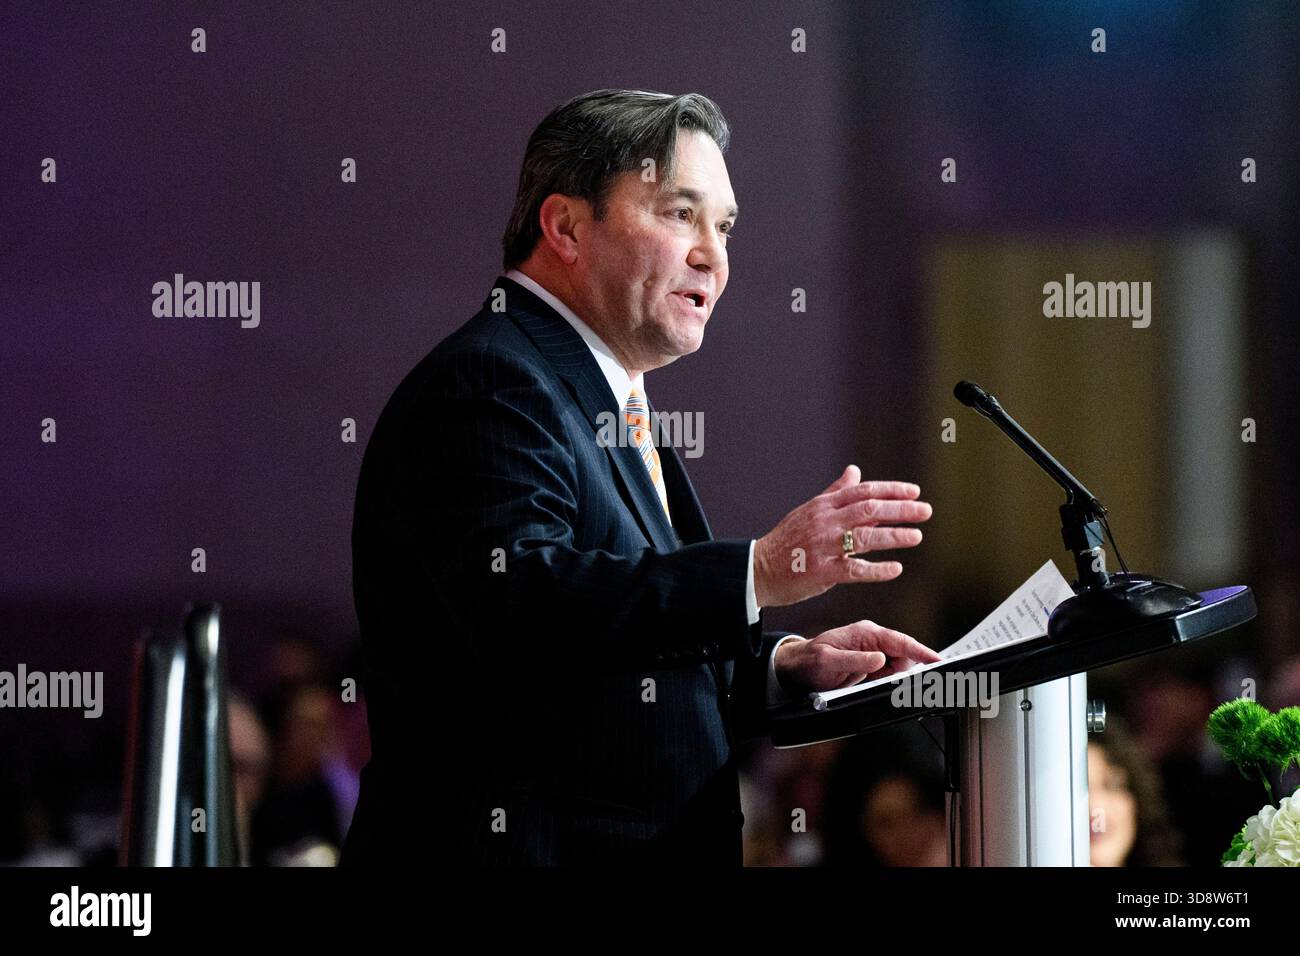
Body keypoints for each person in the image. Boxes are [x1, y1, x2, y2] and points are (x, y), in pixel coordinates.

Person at [340, 89, 938, 866]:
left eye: (723, 227)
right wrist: (756, 571)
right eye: (679, 214)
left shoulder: (600, 395)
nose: (714, 257)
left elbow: (613, 667)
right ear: (564, 226)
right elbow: (524, 610)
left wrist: (777, 668)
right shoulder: (493, 380)